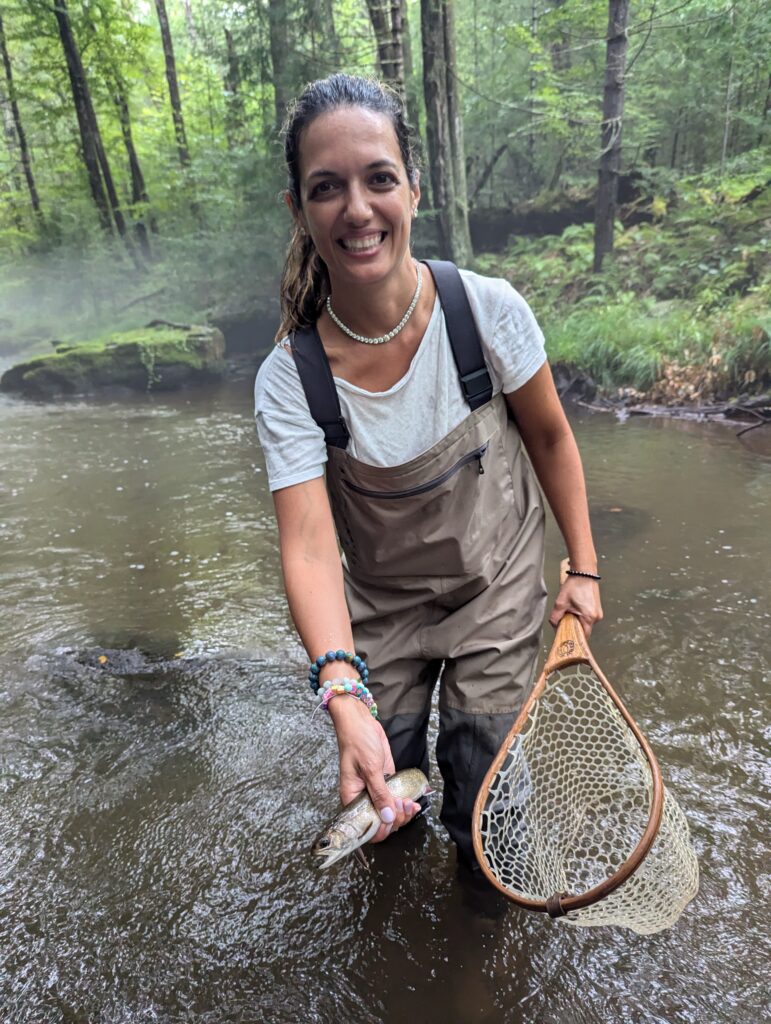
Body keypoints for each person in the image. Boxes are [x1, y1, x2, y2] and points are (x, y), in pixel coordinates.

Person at [254, 74, 602, 875]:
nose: (357, 208)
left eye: (378, 178)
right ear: (299, 210)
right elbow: (308, 548)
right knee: (382, 790)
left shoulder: (485, 313)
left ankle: (482, 918)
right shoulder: (290, 378)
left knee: (485, 793)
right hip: (381, 604)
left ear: (413, 185)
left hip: (497, 585)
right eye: (326, 188)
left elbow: (549, 437)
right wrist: (339, 691)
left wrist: (580, 565)